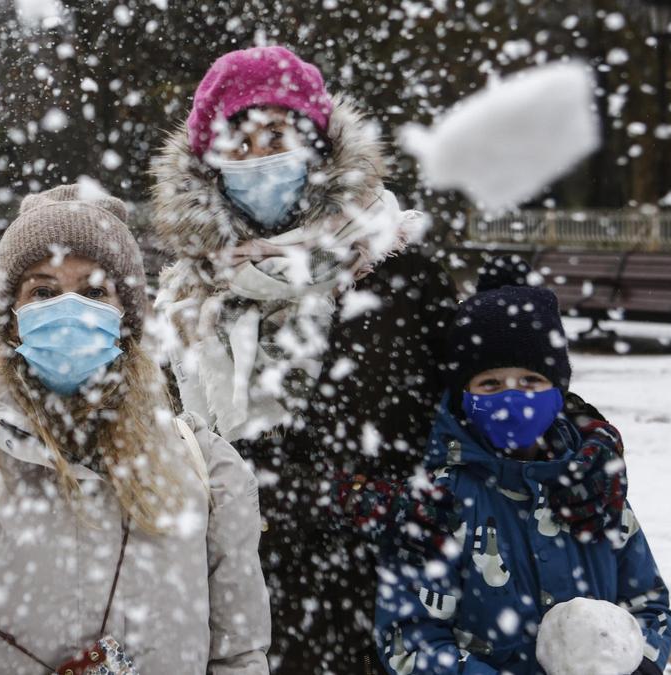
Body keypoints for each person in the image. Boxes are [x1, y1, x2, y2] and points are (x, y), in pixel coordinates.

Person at [148, 46, 628, 674]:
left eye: (278, 135)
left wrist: (577, 447)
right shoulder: (187, 297)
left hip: (384, 592)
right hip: (235, 594)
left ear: (320, 146)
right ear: (207, 166)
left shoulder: (396, 273)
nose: (260, 157)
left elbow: (481, 404)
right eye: (237, 142)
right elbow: (161, 436)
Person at [0, 185, 271, 674]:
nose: (70, 311)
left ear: (126, 315)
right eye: (43, 291)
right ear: (14, 320)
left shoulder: (207, 469)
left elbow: (239, 658)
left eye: (93, 291)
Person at [375, 258, 671, 674]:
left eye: (530, 381)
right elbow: (410, 639)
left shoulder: (591, 484)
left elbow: (648, 603)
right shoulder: (439, 503)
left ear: (558, 390)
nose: (512, 398)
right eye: (491, 384)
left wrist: (637, 663)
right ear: (465, 396)